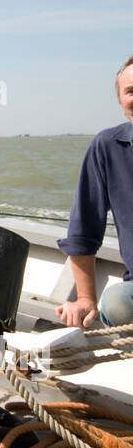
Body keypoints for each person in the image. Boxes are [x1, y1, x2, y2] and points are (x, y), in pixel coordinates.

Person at [56, 55, 133, 329]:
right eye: (130, 91)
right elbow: (83, 231)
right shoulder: (107, 148)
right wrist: (86, 298)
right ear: (121, 100)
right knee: (115, 302)